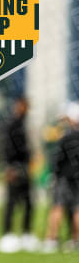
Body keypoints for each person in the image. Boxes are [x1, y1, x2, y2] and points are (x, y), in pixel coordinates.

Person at [41, 104, 79, 253]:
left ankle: (52, 239)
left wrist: (54, 174)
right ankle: (76, 240)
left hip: (64, 177)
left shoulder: (66, 137)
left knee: (57, 207)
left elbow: (57, 159)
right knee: (77, 209)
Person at [0, 97, 34, 250]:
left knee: (28, 203)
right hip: (14, 168)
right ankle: (7, 235)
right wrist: (8, 167)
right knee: (11, 202)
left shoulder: (24, 124)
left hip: (24, 168)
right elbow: (7, 147)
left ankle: (26, 234)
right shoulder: (12, 124)